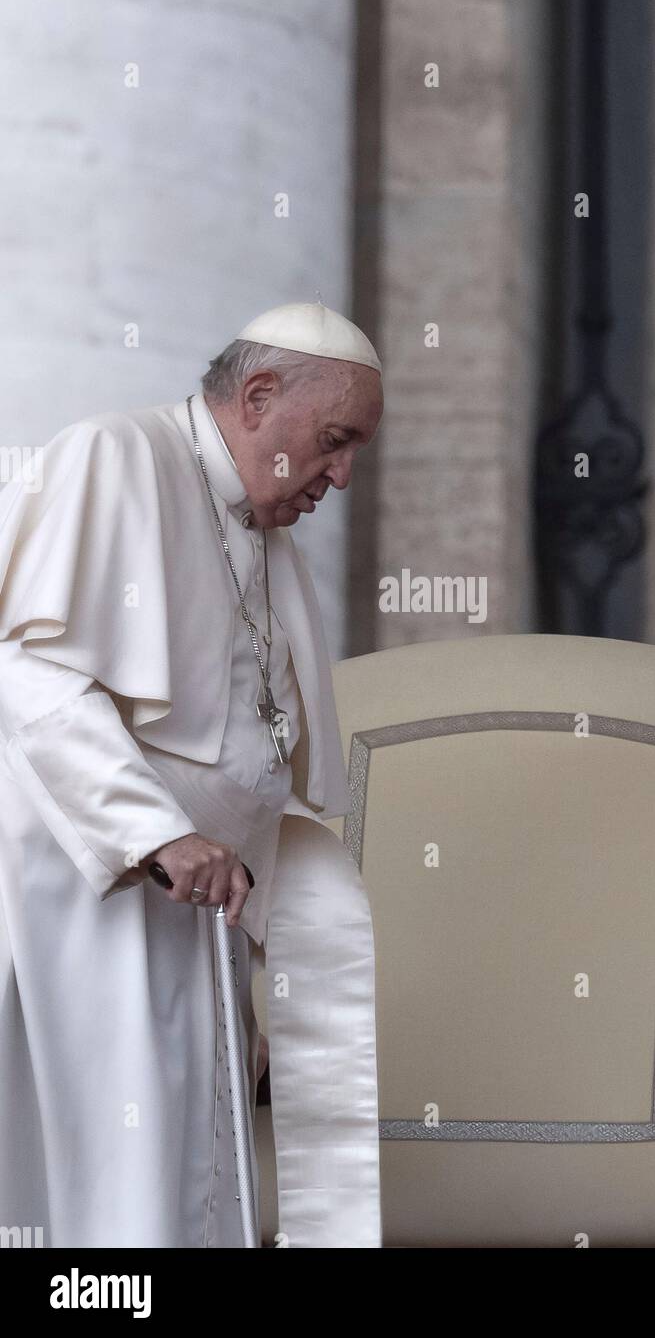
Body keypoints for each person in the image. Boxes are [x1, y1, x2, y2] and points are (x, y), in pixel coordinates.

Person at [0, 301, 384, 1248]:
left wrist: (249, 967)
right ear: (258, 397)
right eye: (335, 442)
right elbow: (28, 671)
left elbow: (248, 768)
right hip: (92, 903)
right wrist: (154, 832)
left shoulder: (263, 539)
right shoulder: (113, 458)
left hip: (193, 919)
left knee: (185, 1191)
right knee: (108, 1195)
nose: (344, 475)